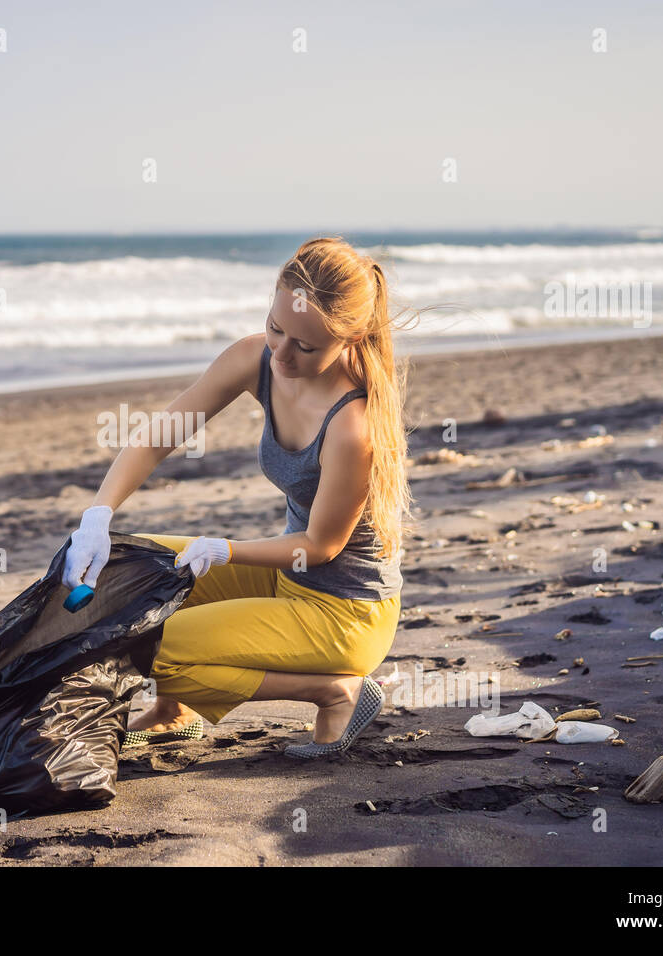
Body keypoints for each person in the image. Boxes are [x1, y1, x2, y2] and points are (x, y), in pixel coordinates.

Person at [62, 236, 415, 758]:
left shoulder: (352, 426)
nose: (283, 354)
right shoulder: (257, 357)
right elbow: (161, 434)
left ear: (352, 337)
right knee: (132, 573)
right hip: (286, 580)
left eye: (306, 346)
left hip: (345, 615)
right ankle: (173, 713)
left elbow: (320, 546)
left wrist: (226, 549)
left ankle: (335, 691)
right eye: (276, 329)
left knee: (150, 643)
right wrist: (97, 516)